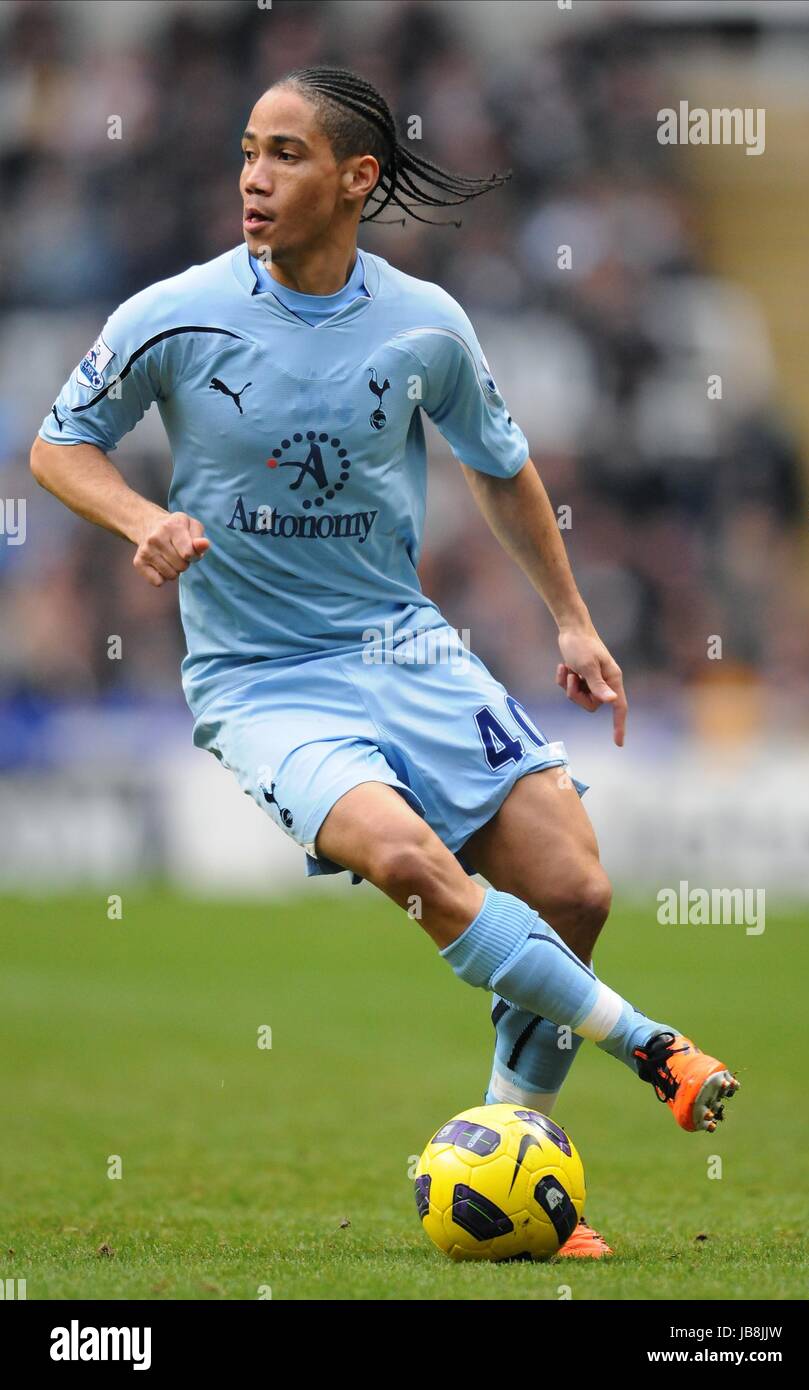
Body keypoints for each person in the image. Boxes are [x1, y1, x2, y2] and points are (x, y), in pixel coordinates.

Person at [31, 65, 738, 1259]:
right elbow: (61, 446)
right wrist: (140, 517)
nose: (254, 176)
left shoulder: (425, 323)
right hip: (262, 678)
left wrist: (570, 618)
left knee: (574, 890)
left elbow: (500, 462)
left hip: (403, 646)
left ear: (358, 178)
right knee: (408, 855)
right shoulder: (173, 314)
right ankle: (652, 1045)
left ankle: (515, 1147)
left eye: (288, 154)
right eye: (249, 149)